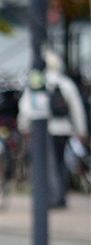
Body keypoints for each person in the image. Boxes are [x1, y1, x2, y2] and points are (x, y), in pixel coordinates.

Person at [19, 49, 88, 209]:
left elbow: (26, 106)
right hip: (63, 129)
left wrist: (24, 126)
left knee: (48, 164)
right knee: (60, 161)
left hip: (45, 129)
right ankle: (61, 195)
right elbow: (77, 108)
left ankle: (53, 196)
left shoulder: (37, 81)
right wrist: (81, 130)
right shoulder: (65, 83)